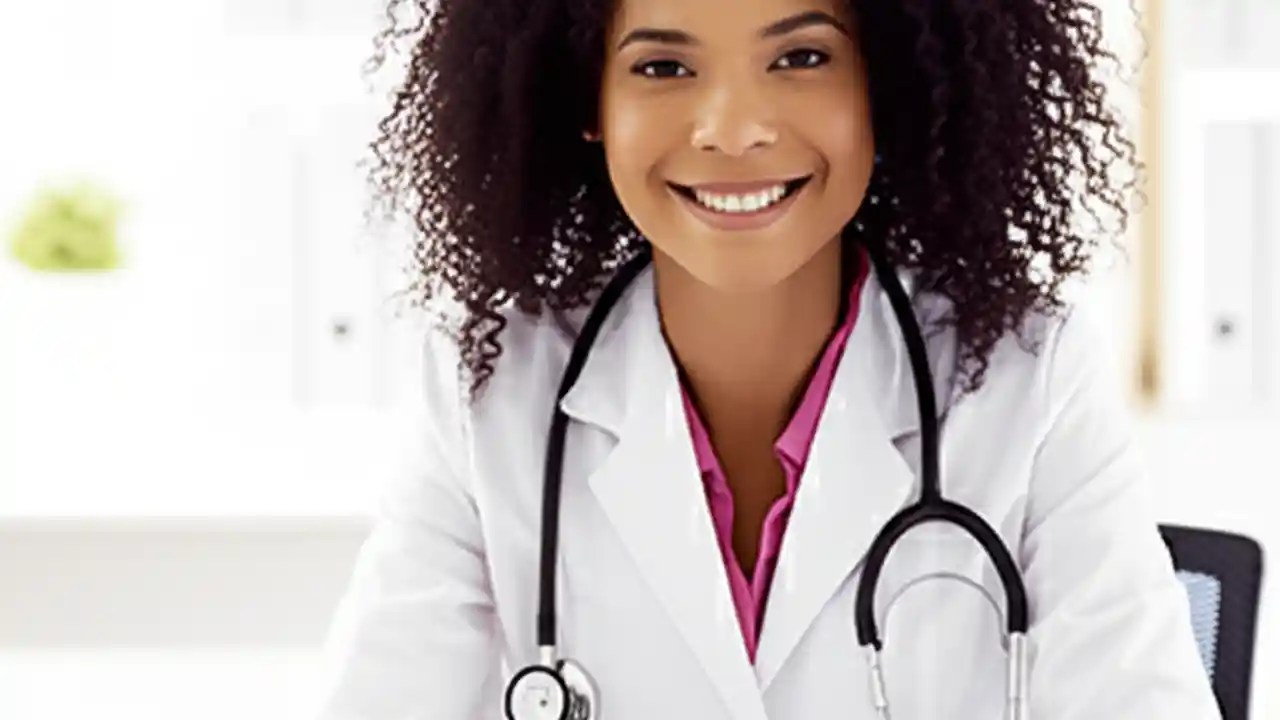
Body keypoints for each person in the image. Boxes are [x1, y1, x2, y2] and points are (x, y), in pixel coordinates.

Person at [312, 0, 1223, 716]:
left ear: (886, 82)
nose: (733, 127)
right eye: (663, 66)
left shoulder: (1031, 379)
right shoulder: (492, 390)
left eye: (801, 57)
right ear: (586, 98)